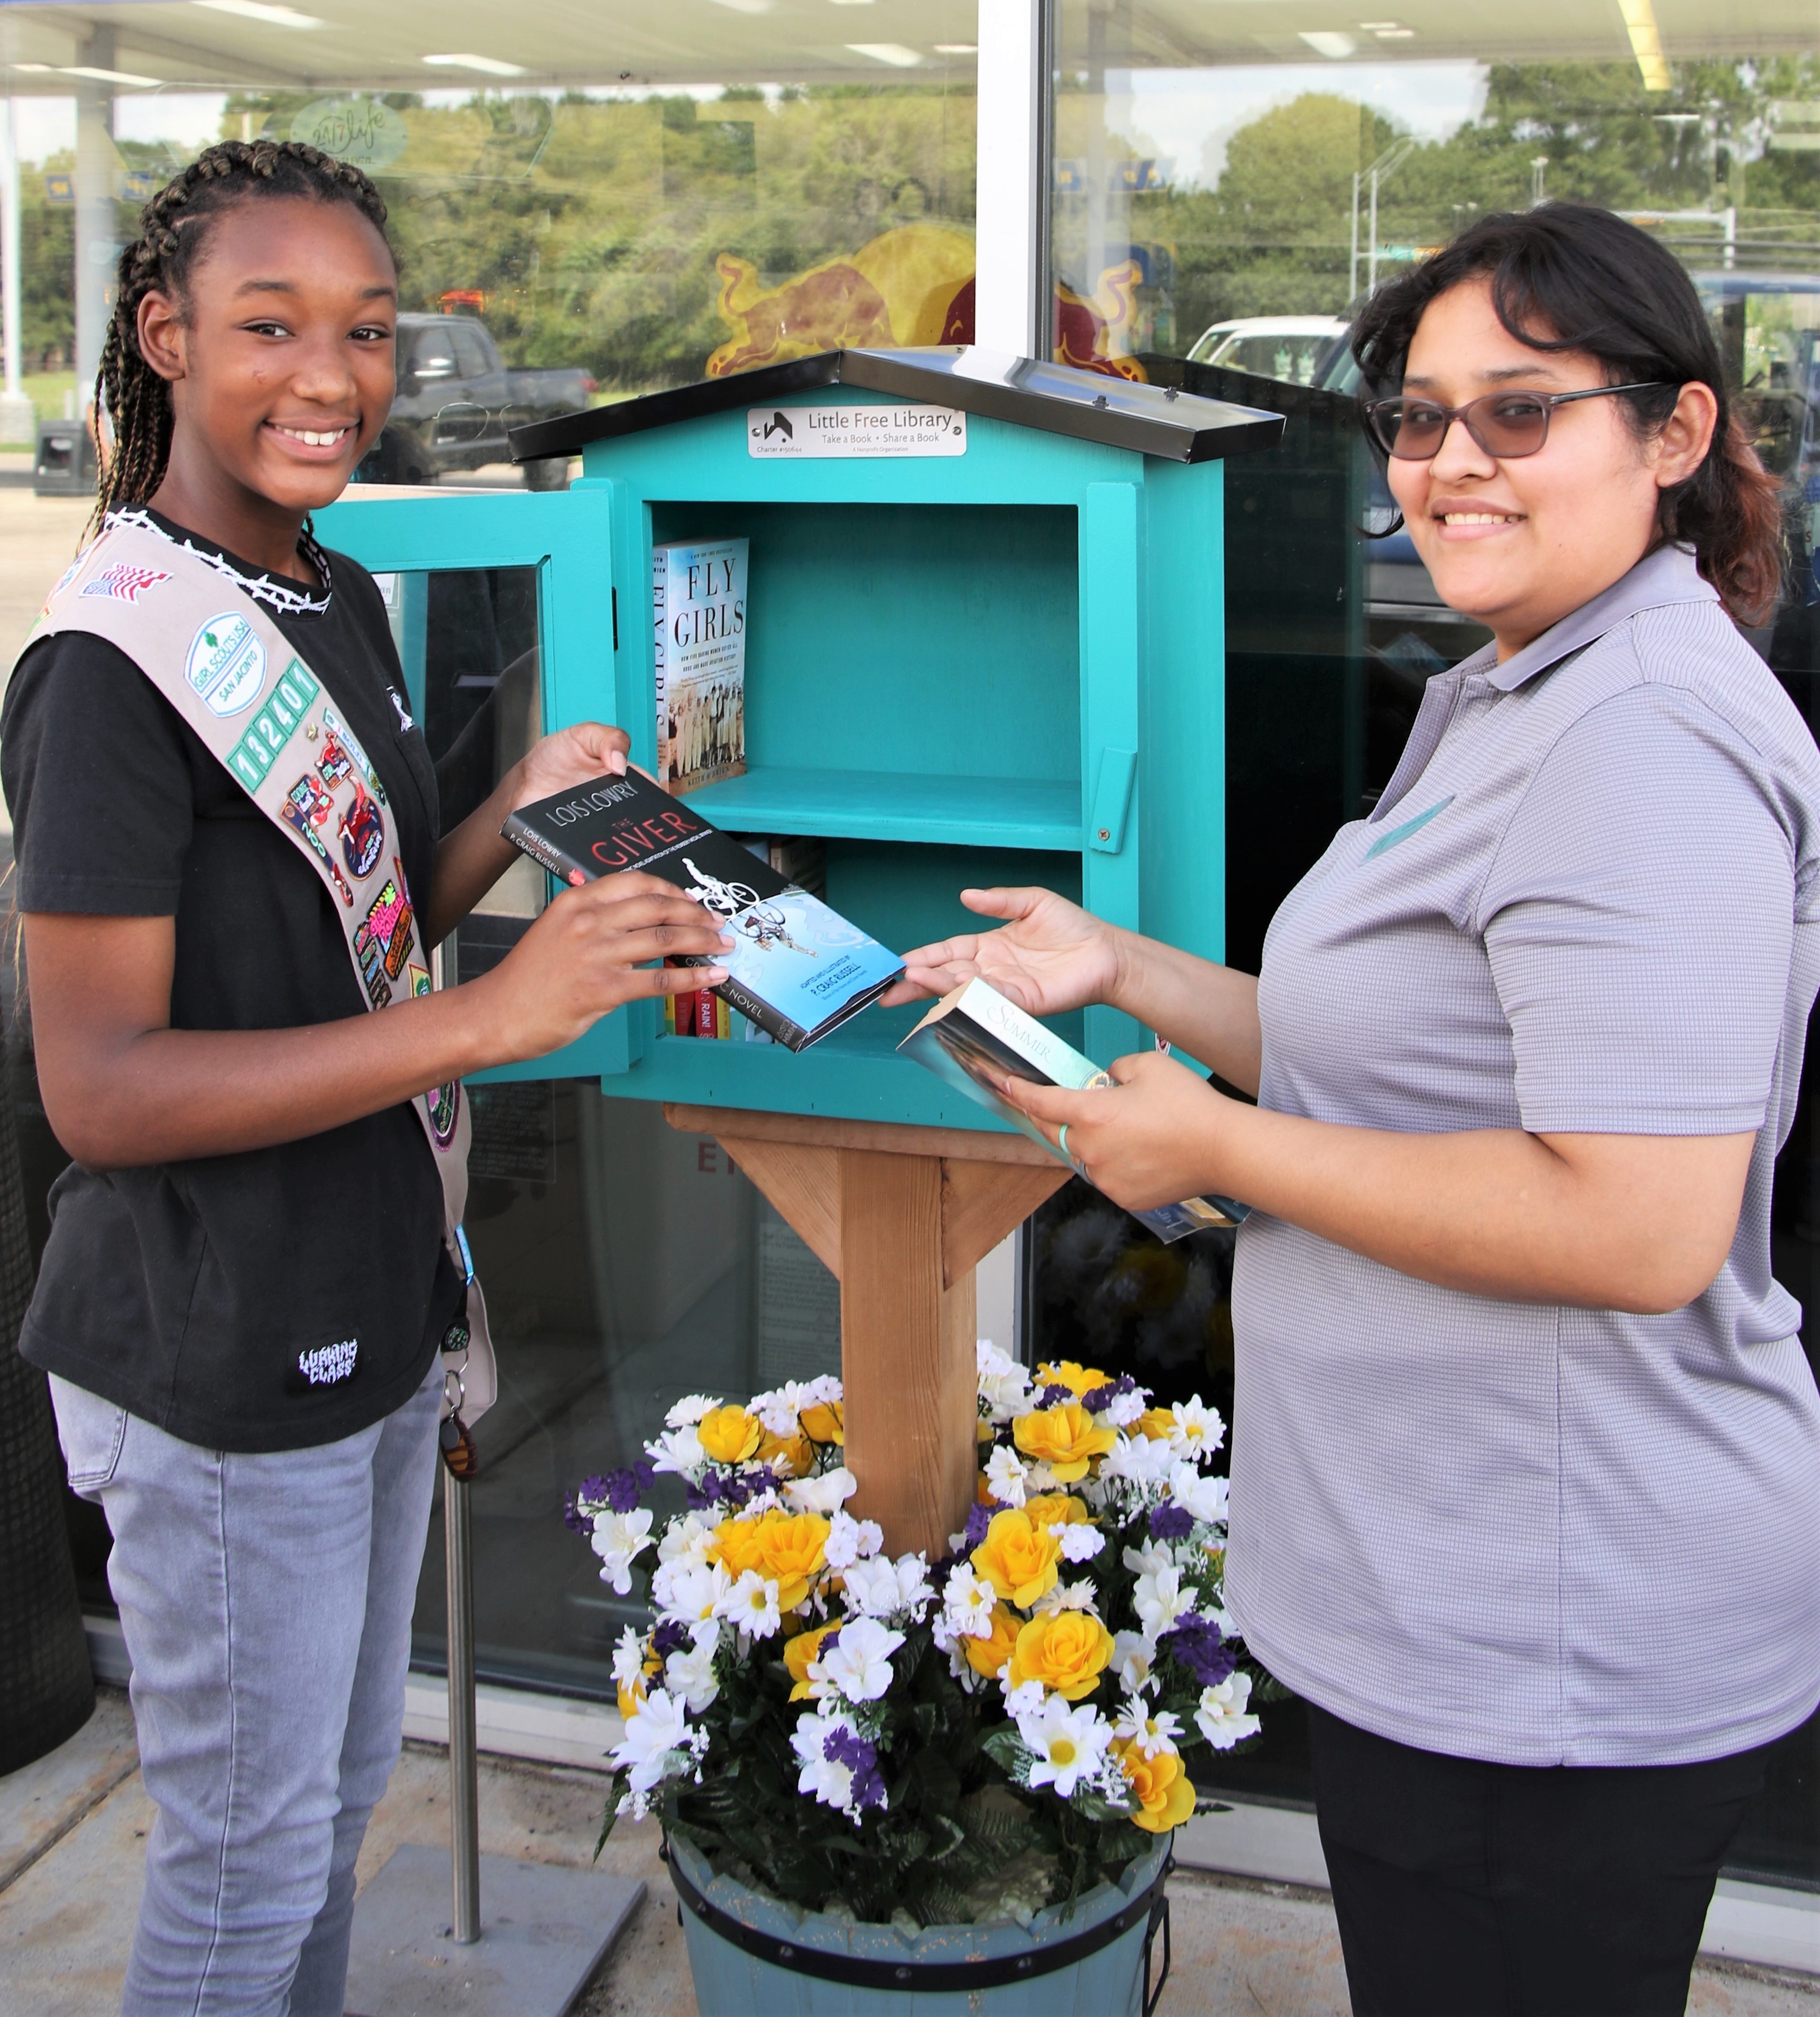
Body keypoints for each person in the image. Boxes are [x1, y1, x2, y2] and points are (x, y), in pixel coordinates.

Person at [889, 203, 1820, 2015]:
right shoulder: (1508, 685)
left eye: (1523, 412)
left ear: (1677, 434)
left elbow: (1635, 1227)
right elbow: (1400, 1046)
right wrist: (1130, 969)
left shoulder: (1638, 738)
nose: (1453, 460)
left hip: (1553, 1639)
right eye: (1418, 414)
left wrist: (1213, 1146)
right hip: (1452, 1592)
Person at [2, 140, 732, 2017]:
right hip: (218, 1353)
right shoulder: (106, 671)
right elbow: (100, 1092)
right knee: (244, 1879)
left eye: (366, 332)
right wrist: (493, 1020)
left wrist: (512, 807)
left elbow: (367, 924)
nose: (328, 377)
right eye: (268, 326)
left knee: (321, 1817)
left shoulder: (317, 592)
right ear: (162, 336)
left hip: (371, 1308)